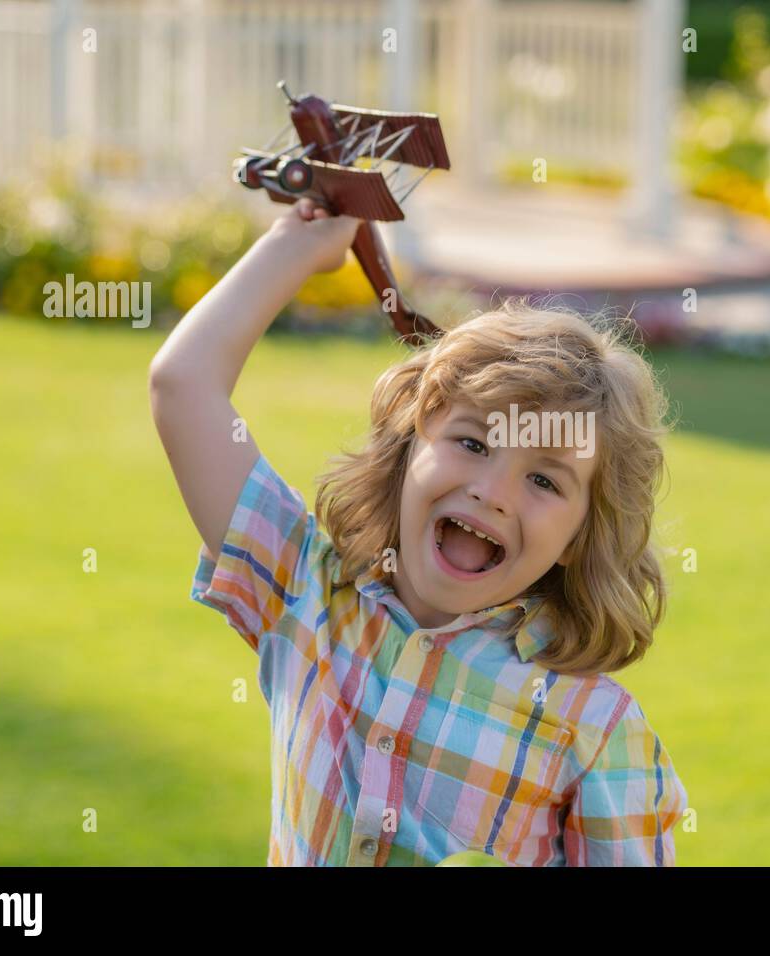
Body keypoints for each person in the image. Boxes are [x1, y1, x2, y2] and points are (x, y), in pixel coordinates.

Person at [148, 198, 689, 866]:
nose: (490, 492)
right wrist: (298, 246)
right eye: (471, 442)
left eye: (545, 481)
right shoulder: (309, 595)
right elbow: (183, 385)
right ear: (409, 446)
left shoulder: (596, 730)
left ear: (581, 536)